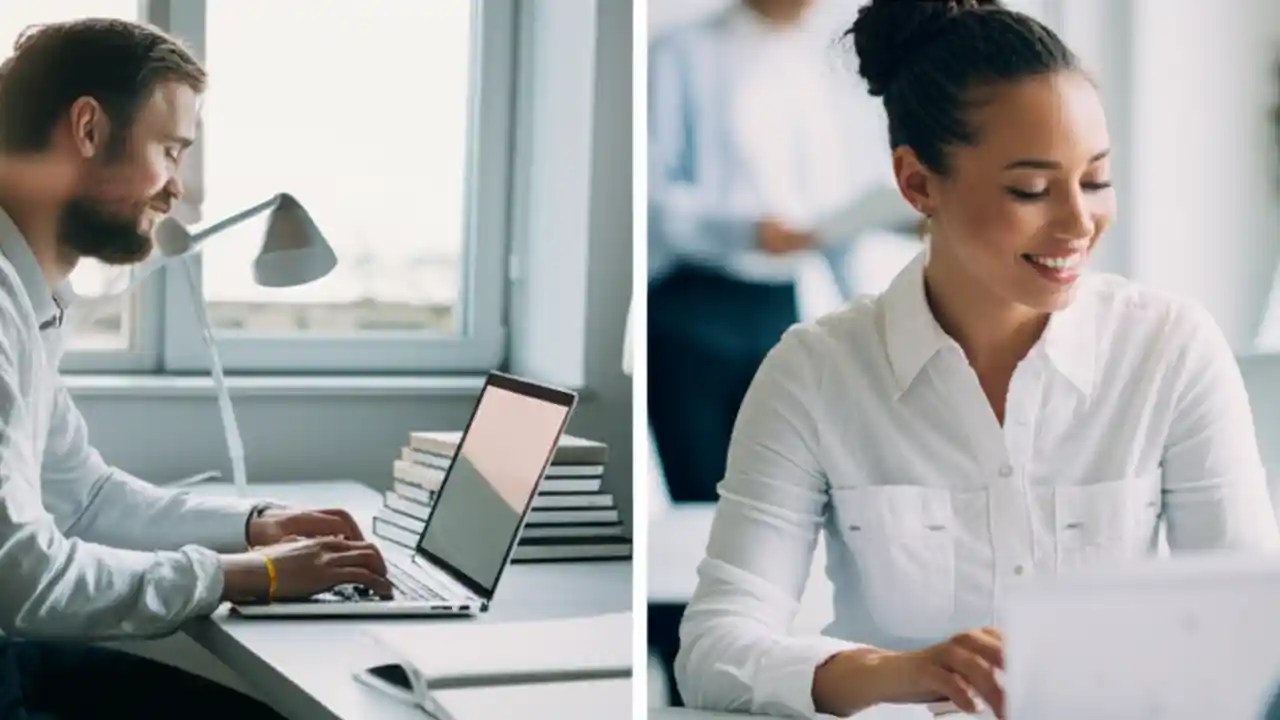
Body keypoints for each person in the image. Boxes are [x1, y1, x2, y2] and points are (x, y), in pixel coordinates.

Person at [674, 1, 1280, 718]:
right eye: (1030, 189)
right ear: (917, 184)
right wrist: (900, 673)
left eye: (1095, 180)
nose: (1079, 223)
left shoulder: (1172, 351)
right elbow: (712, 650)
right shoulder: (815, 372)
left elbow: (1252, 634)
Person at [0, 19, 393, 719]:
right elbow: (24, 582)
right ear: (88, 128)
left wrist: (256, 526)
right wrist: (251, 575)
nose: (176, 189)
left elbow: (84, 500)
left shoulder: (31, 299)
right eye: (170, 151)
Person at [648, 0, 909, 505]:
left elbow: (838, 200)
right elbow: (652, 194)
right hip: (693, 310)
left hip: (780, 307)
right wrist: (746, 230)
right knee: (704, 504)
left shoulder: (824, 65)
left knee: (774, 500)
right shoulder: (681, 53)